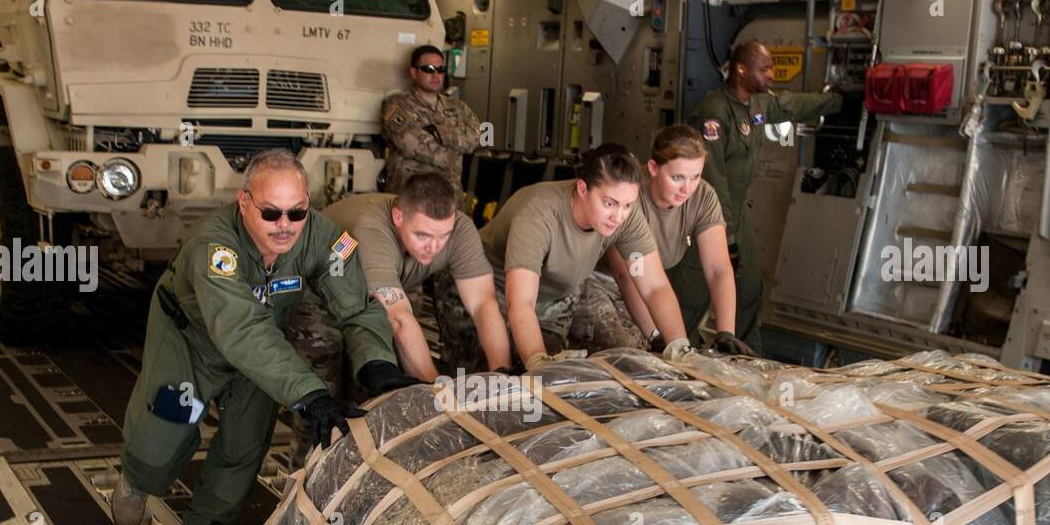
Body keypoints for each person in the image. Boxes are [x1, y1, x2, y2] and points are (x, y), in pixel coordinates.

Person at [112, 150, 409, 525]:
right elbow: (238, 326)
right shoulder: (212, 244)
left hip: (262, 347)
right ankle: (137, 480)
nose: (285, 226)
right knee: (169, 424)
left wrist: (378, 364)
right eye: (271, 214)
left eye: (297, 212)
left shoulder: (324, 237)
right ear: (244, 202)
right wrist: (309, 394)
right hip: (192, 340)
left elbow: (356, 305)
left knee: (246, 441)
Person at [442, 142, 697, 371]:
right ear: (583, 189)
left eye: (627, 205)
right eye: (609, 203)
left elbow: (654, 286)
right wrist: (538, 364)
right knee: (486, 376)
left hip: (553, 294)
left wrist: (678, 346)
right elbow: (520, 302)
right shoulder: (539, 215)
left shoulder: (624, 217)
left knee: (558, 374)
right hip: (485, 289)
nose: (618, 216)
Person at [689, 39, 843, 353]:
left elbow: (792, 105)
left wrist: (839, 101)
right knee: (694, 289)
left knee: (748, 288)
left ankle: (741, 357)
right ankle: (670, 350)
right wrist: (727, 235)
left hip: (737, 209)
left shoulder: (758, 105)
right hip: (706, 212)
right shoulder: (714, 112)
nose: (771, 74)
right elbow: (713, 178)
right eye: (764, 69)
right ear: (741, 69)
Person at [319, 172, 509, 381]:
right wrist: (438, 391)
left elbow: (483, 303)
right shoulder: (371, 228)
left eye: (443, 236)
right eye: (423, 236)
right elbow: (397, 318)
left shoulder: (459, 228)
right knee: (334, 359)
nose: (434, 248)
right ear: (398, 217)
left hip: (394, 274)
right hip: (325, 282)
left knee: (402, 356)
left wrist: (503, 373)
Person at [588, 124, 752, 355]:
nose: (687, 188)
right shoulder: (629, 194)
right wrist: (655, 335)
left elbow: (718, 269)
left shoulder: (703, 196)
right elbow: (624, 273)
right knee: (629, 352)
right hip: (601, 283)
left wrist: (725, 332)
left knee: (677, 352)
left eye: (695, 176)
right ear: (654, 168)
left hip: (651, 288)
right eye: (677, 177)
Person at [381, 45, 480, 195]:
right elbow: (410, 145)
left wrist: (439, 132)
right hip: (411, 197)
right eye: (429, 69)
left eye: (440, 70)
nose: (436, 75)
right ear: (414, 72)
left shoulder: (458, 107)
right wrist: (455, 153)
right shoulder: (396, 105)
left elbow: (475, 138)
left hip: (450, 195)